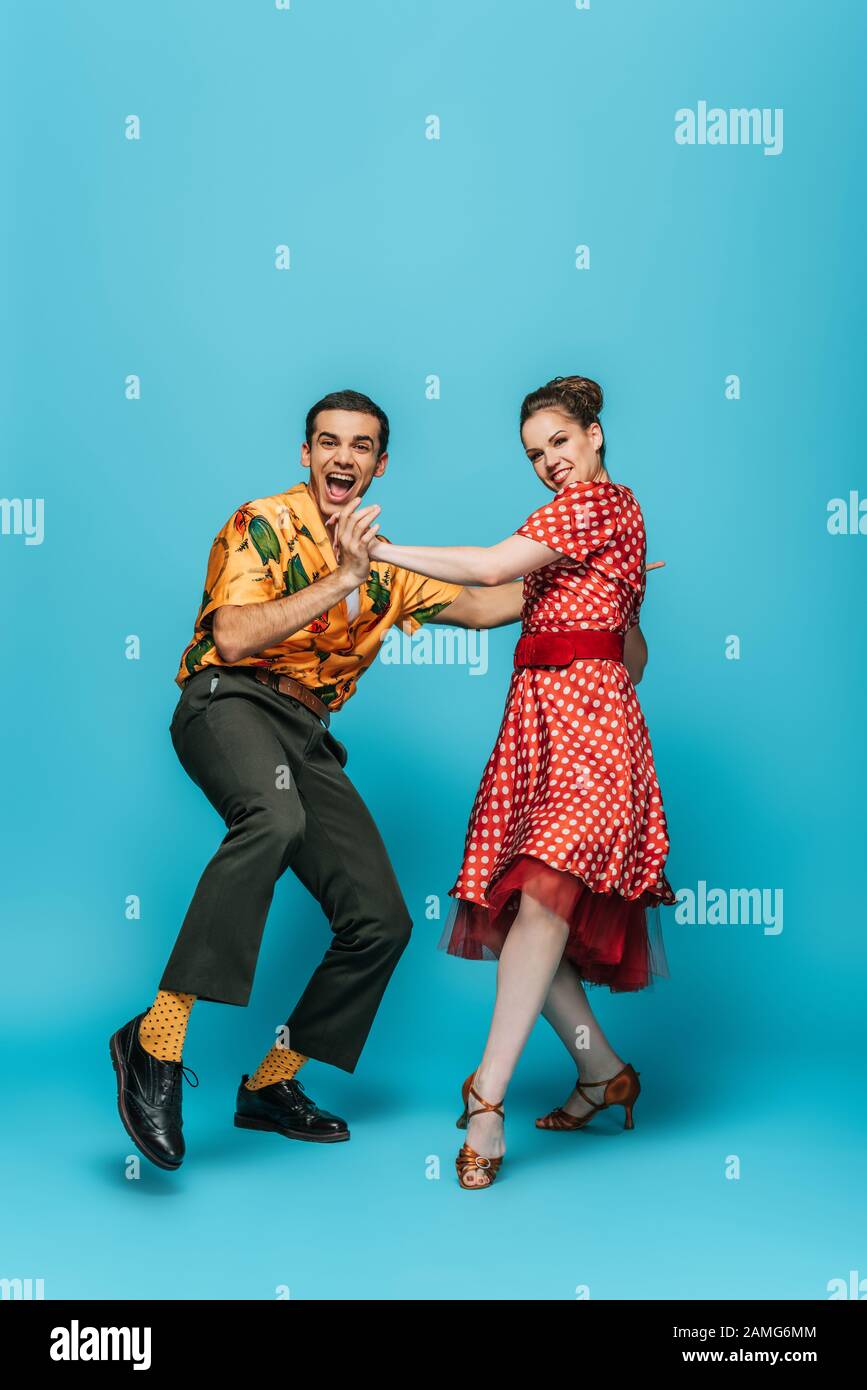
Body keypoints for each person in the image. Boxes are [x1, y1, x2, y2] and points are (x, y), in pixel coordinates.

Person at [109, 388, 523, 1170]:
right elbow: (231, 638)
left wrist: (588, 572)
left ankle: (271, 1084)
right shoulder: (260, 522)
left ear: (379, 464)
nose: (342, 457)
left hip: (307, 733)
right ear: (306, 454)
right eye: (328, 443)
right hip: (225, 702)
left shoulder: (386, 559)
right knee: (274, 819)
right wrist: (341, 578)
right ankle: (153, 1040)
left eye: (359, 446)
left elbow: (480, 606)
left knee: (380, 920)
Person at [362, 374, 677, 1189]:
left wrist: (378, 547)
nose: (549, 463)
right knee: (517, 919)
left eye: (560, 444)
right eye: (535, 454)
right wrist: (380, 593)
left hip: (592, 736)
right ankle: (601, 1073)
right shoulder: (587, 537)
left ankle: (486, 1097)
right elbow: (479, 605)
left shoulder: (599, 507)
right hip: (538, 733)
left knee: (538, 899)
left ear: (595, 434)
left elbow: (493, 560)